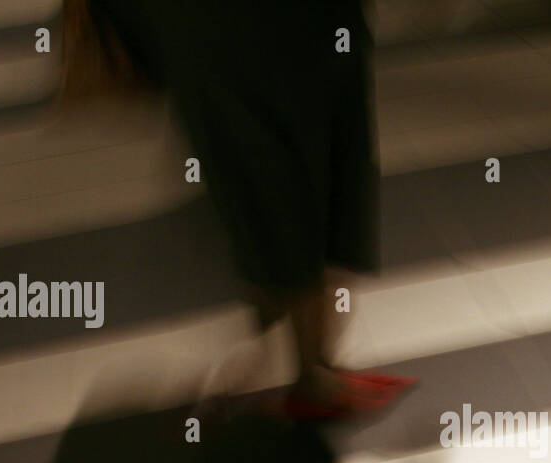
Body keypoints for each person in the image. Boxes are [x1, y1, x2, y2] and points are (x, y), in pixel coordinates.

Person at [81, 0, 413, 419]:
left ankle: (302, 349)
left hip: (233, 35)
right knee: (290, 183)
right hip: (258, 36)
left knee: (279, 182)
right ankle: (308, 366)